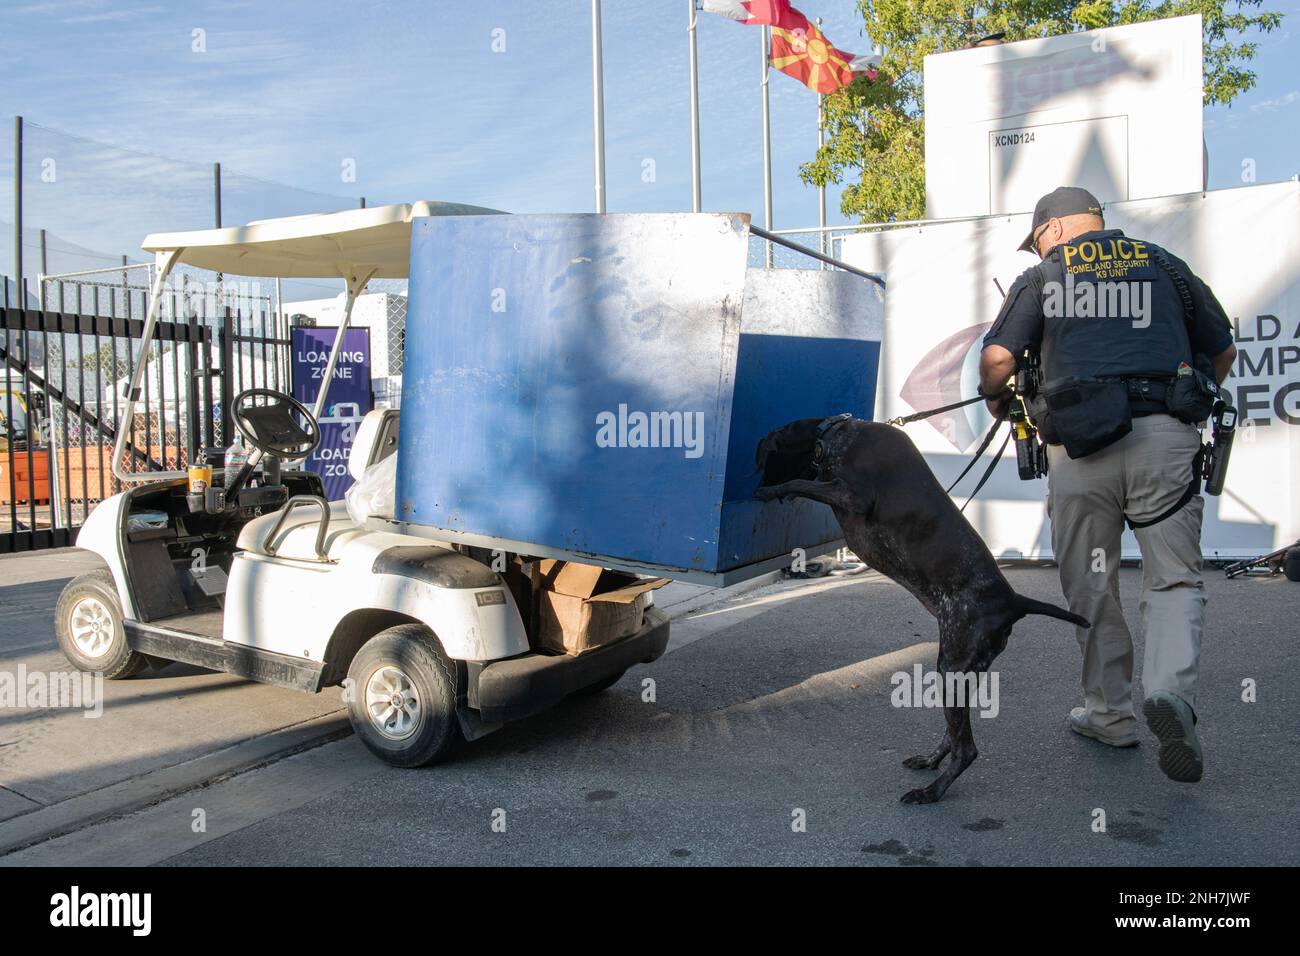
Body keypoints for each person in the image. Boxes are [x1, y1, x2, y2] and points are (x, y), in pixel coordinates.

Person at [978, 186, 1236, 783]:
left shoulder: (1046, 274)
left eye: (1038, 236)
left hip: (1080, 448)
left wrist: (1001, 402)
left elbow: (996, 360)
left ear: (1057, 230)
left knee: (1091, 585)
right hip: (1164, 438)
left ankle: (1110, 715)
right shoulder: (1164, 265)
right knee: (1173, 579)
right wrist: (1189, 386)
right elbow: (1220, 351)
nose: (1039, 245)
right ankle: (1169, 692)